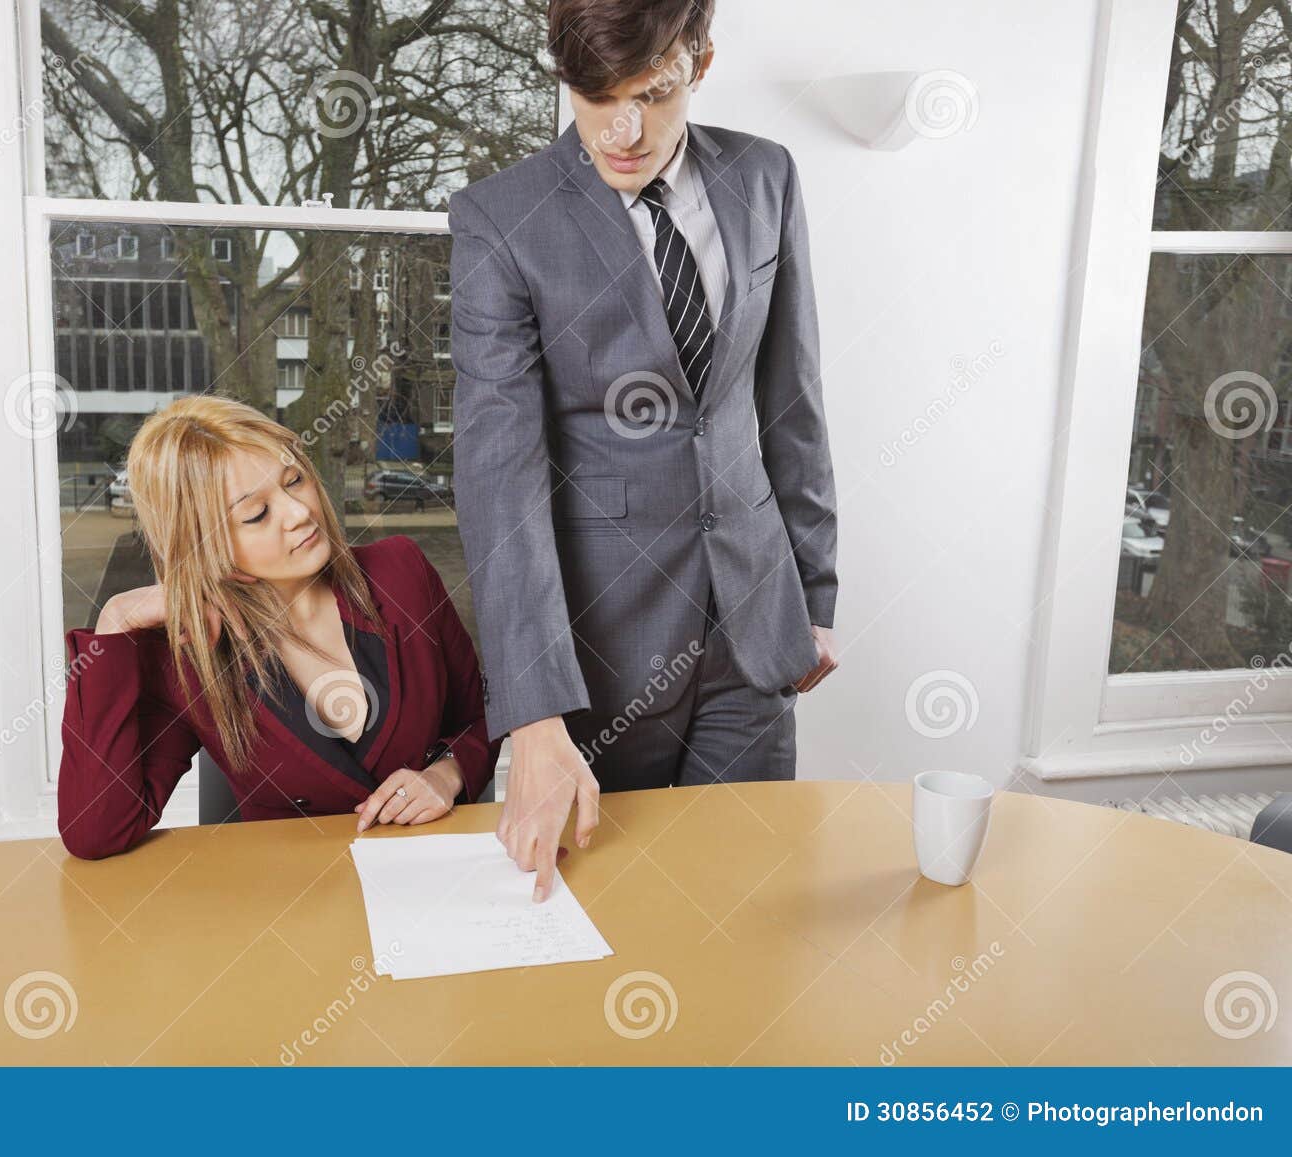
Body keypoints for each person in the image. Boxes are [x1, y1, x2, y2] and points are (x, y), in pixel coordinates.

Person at [449, 0, 841, 901]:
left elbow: (791, 401)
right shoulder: (500, 220)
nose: (622, 131)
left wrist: (813, 595)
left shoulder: (765, 177)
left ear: (699, 64)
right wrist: (534, 716)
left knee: (742, 906)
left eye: (652, 95)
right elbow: (498, 477)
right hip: (598, 650)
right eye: (595, 98)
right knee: (608, 916)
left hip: (756, 627)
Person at [57, 396, 498, 859]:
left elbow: (481, 716)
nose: (299, 513)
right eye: (256, 514)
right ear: (201, 542)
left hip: (432, 883)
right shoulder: (187, 657)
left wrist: (445, 775)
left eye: (295, 480)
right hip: (295, 907)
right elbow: (96, 831)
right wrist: (115, 621)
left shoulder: (402, 573)